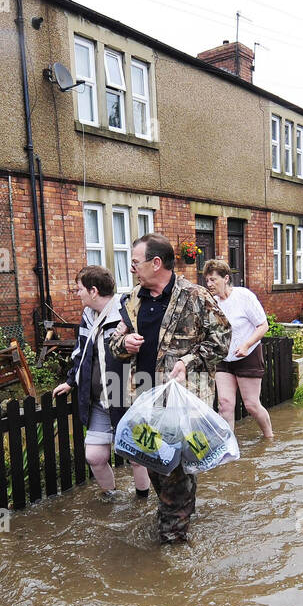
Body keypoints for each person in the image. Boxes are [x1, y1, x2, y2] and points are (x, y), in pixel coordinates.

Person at [108, 233, 230, 543]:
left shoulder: (196, 296)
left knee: (175, 468)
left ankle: (173, 541)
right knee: (154, 462)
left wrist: (188, 361)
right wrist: (124, 344)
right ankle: (179, 514)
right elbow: (113, 345)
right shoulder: (131, 300)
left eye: (136, 262)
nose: (132, 268)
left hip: (183, 405)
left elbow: (222, 342)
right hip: (145, 402)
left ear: (156, 263)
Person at [51, 266, 152, 501]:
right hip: (97, 400)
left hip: (125, 396)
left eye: (79, 289)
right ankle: (112, 499)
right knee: (95, 457)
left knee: (136, 455)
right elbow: (81, 353)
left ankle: (142, 501)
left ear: (93, 290)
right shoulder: (88, 316)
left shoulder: (126, 314)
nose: (77, 294)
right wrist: (70, 382)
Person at [203, 259, 274, 440]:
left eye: (213, 279)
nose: (209, 284)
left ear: (226, 278)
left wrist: (246, 345)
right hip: (223, 359)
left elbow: (263, 325)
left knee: (251, 405)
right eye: (207, 280)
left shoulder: (244, 297)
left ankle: (269, 437)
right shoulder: (211, 302)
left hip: (248, 356)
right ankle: (228, 449)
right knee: (225, 404)